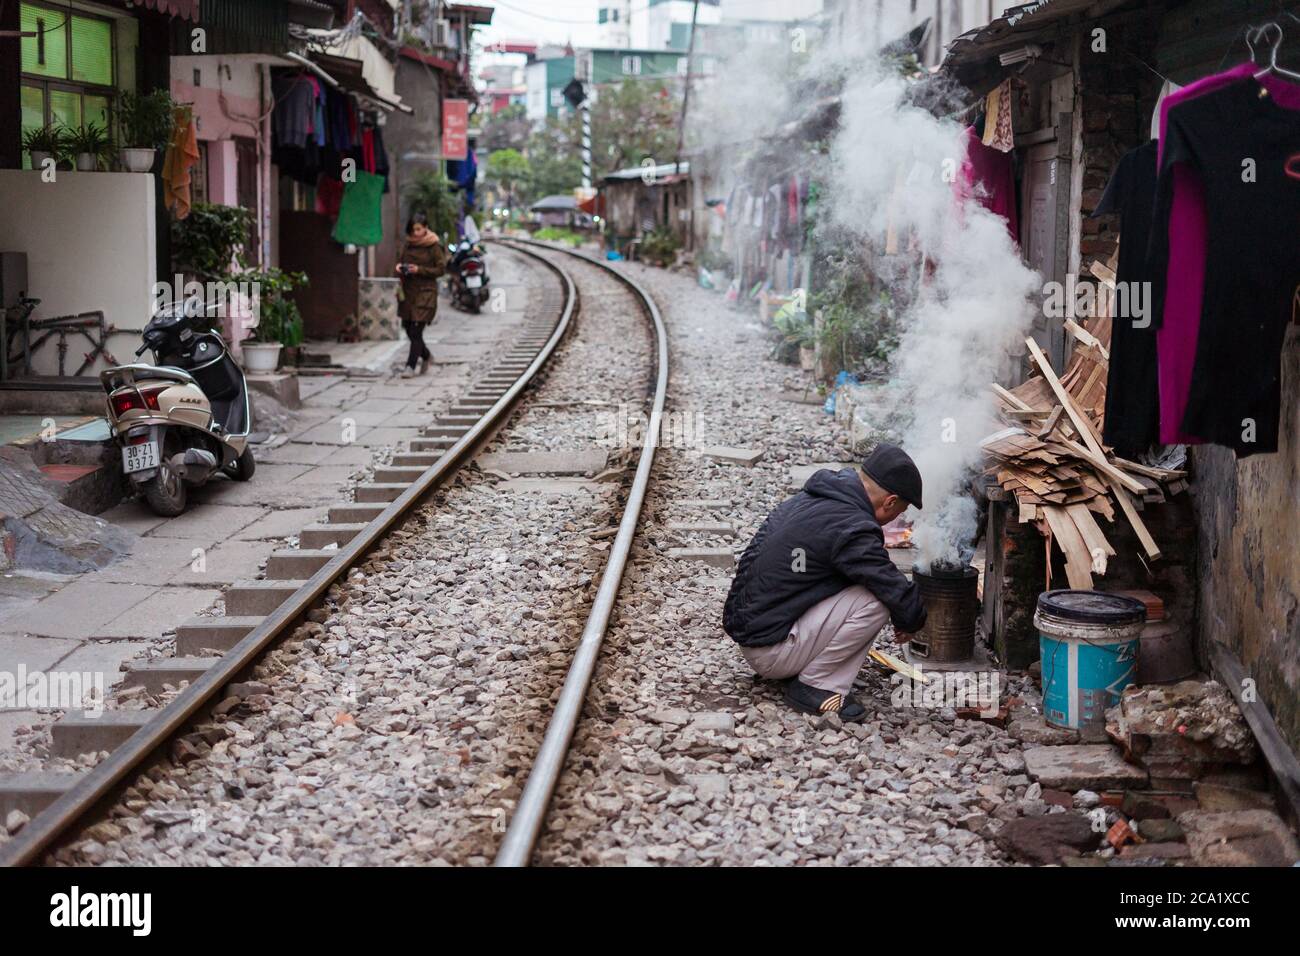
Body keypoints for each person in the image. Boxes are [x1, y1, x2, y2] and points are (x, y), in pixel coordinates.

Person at [722, 444, 928, 722]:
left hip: (758, 635)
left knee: (864, 583)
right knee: (877, 600)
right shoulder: (853, 526)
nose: (896, 519)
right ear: (889, 501)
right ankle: (816, 685)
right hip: (771, 651)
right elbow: (894, 590)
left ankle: (803, 665)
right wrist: (910, 619)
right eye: (899, 512)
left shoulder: (817, 498)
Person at [395, 212, 446, 378]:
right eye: (413, 229)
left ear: (425, 228)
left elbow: (440, 269)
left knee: (416, 331)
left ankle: (410, 367)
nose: (416, 233)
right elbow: (401, 261)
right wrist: (399, 268)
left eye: (418, 229)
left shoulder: (433, 246)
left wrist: (420, 270)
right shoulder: (408, 245)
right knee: (408, 330)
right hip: (408, 293)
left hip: (426, 293)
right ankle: (426, 355)